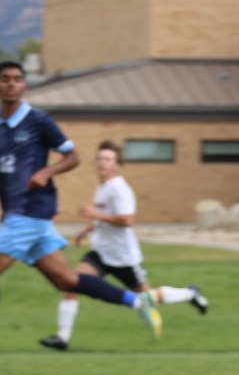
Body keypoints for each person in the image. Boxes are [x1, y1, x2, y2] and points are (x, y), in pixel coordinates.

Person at [0, 61, 160, 338]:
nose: (11, 84)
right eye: (5, 79)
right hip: (20, 216)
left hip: (30, 212)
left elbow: (73, 157)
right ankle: (138, 302)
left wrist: (46, 172)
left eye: (17, 79)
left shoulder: (38, 121)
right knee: (68, 280)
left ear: (24, 86)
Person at [39, 140, 208, 351]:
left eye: (108, 160)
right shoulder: (102, 186)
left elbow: (127, 220)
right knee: (71, 284)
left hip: (124, 258)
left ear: (117, 165)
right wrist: (89, 228)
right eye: (100, 159)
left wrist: (94, 214)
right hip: (101, 253)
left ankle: (189, 293)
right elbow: (108, 216)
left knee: (147, 298)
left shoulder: (120, 188)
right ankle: (62, 338)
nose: (102, 163)